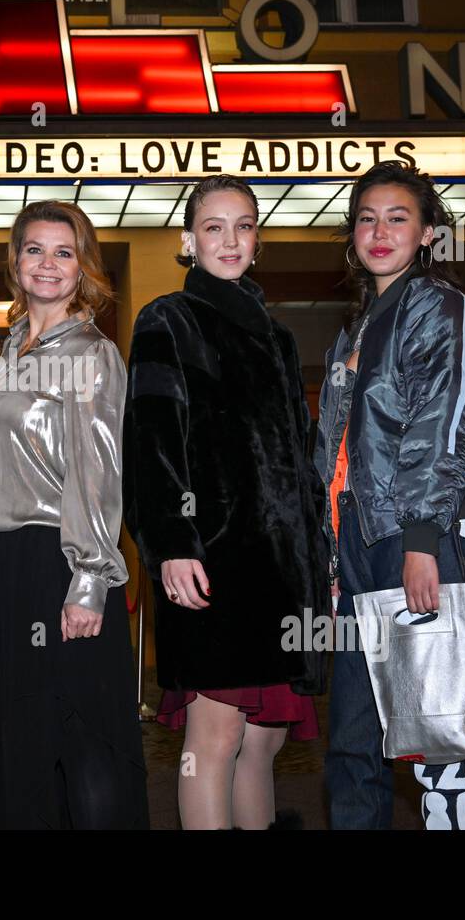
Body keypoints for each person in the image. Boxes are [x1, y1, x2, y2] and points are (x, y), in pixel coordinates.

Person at [123, 175, 328, 830]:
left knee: (262, 743)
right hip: (213, 563)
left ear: (257, 239)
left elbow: (301, 457)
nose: (231, 239)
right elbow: (150, 443)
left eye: (243, 225)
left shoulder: (280, 336)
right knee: (213, 740)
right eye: (214, 226)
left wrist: (318, 551)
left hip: (282, 573)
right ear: (188, 240)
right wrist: (172, 544)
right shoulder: (168, 319)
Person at [313, 160, 465, 830]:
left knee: (444, 754)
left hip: (424, 542)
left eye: (398, 217)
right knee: (352, 748)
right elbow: (335, 460)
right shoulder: (359, 328)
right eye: (367, 218)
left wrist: (422, 541)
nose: (380, 230)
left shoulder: (442, 308)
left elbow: (443, 428)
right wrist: (332, 558)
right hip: (360, 550)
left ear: (427, 234)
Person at [0, 200, 149, 829]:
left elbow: (98, 475)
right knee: (14, 734)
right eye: (34, 249)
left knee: (79, 735)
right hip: (0, 569)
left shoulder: (90, 353)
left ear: (82, 266)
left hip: (58, 561)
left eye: (63, 251)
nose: (48, 263)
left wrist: (91, 580)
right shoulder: (13, 347)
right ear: (15, 262)